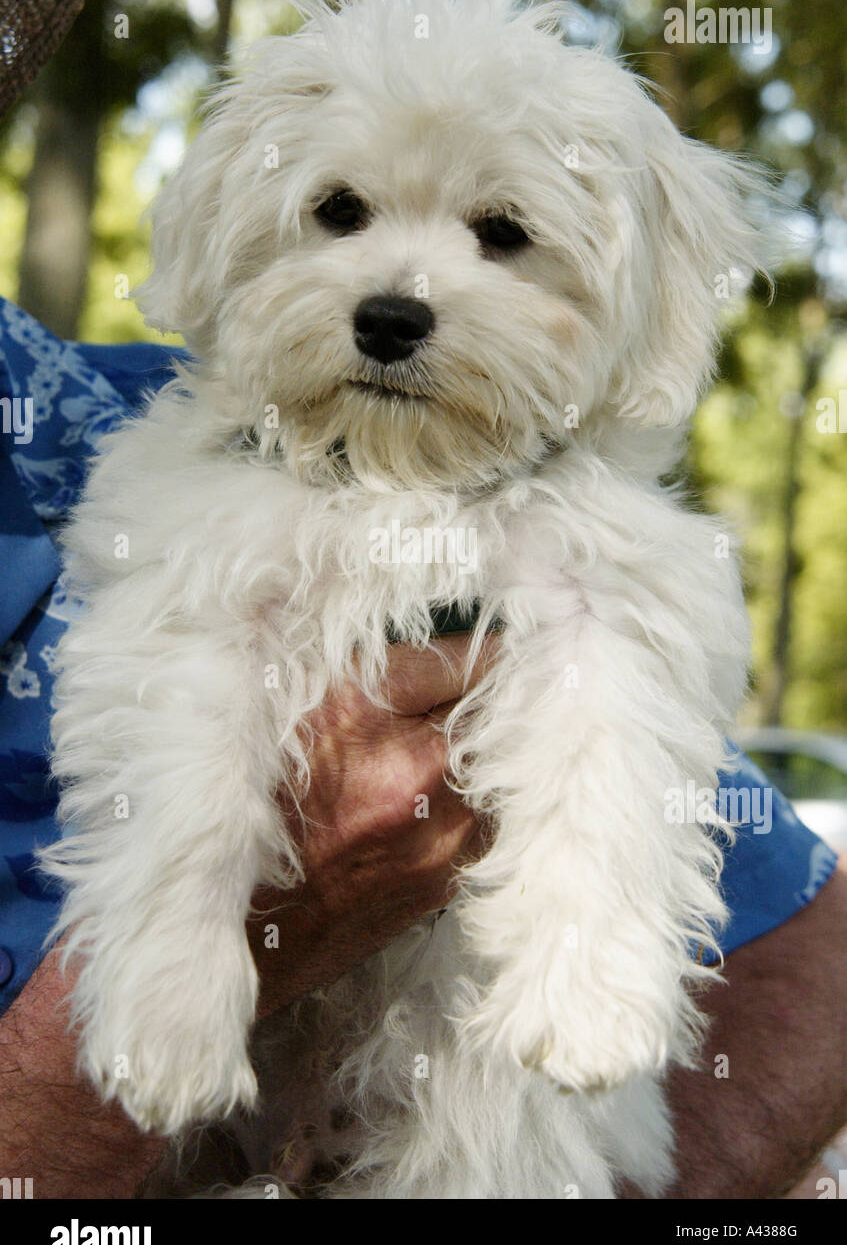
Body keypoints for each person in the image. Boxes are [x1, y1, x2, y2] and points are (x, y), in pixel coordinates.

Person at [0, 297, 844, 1198]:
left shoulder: (111, 404)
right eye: (340, 213)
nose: (398, 295)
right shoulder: (197, 461)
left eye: (500, 231)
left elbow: (807, 939)